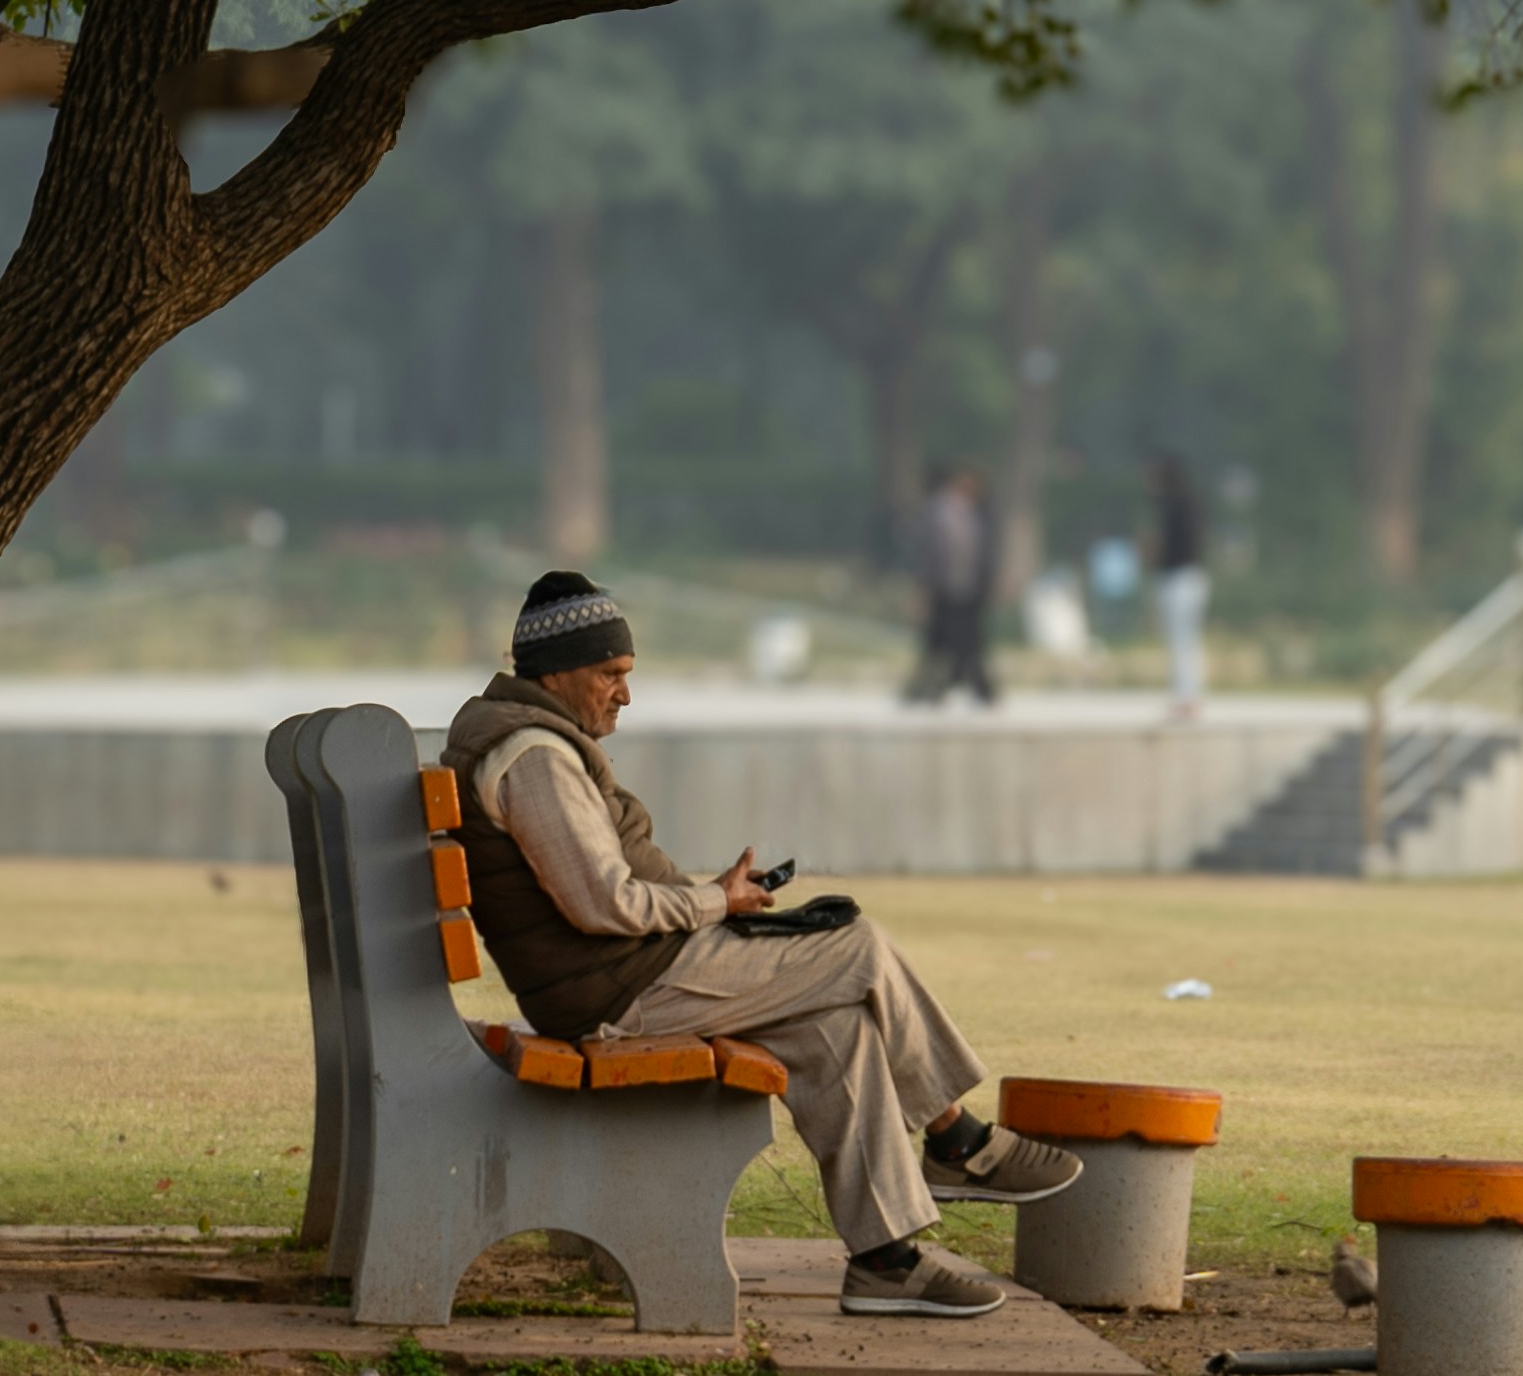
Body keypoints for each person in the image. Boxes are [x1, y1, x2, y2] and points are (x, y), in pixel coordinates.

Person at [449, 570, 1077, 1316]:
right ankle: (960, 1142)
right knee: (858, 946)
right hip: (615, 990)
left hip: (631, 971)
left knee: (835, 1028)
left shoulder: (533, 741)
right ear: (557, 673)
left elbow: (597, 895)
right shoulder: (535, 757)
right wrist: (716, 901)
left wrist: (717, 904)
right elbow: (600, 904)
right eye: (610, 675)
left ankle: (886, 1260)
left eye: (628, 676)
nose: (623, 694)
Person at [903, 462, 999, 709]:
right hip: (945, 589)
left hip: (967, 590)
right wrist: (922, 588)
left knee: (962, 642)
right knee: (945, 642)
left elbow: (983, 554)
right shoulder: (937, 513)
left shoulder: (975, 513)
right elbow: (927, 555)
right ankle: (941, 688)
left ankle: (947, 688)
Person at [1144, 454, 1212, 717]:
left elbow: (1178, 546)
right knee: (1185, 640)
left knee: (1183, 640)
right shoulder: (1179, 504)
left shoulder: (1179, 505)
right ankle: (1186, 695)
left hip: (1181, 577)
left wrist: (1155, 553)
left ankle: (1187, 697)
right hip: (1187, 576)